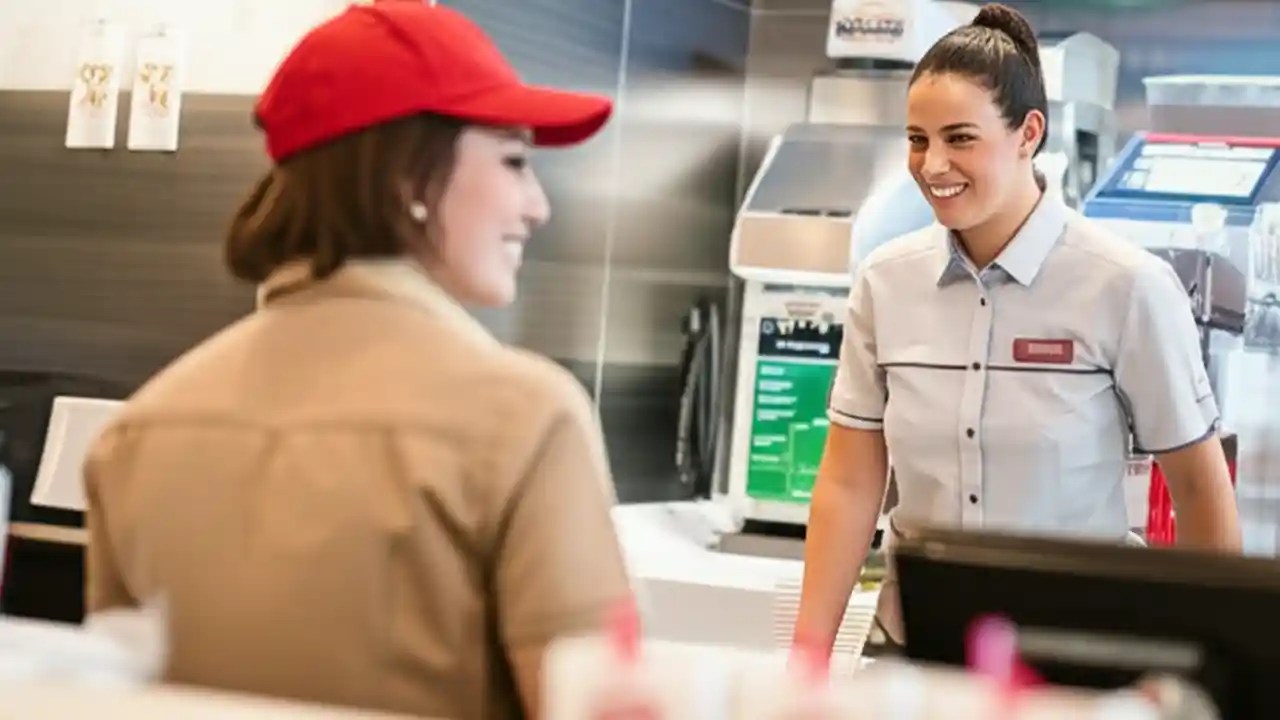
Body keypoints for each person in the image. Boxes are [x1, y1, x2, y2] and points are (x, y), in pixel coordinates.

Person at [82, 4, 631, 719]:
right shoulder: (524, 417)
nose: (537, 205)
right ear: (409, 179)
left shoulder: (138, 431)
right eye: (515, 161)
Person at [794, 3, 1241, 656]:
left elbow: (1199, 488)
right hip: (915, 640)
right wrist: (805, 663)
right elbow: (849, 481)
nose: (932, 164)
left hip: (1076, 649)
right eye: (918, 139)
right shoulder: (885, 282)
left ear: (1028, 133)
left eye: (960, 137)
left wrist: (1211, 660)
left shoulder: (1124, 284)